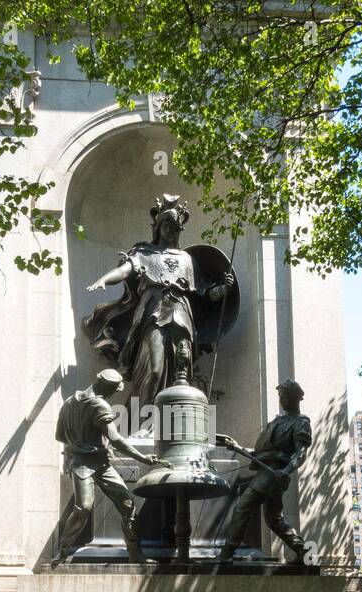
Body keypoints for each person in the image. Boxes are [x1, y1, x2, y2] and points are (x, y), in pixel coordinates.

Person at [82, 196, 235, 407]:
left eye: (173, 226)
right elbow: (125, 270)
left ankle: (173, 426)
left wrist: (222, 289)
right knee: (154, 370)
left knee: (181, 373)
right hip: (153, 312)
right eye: (165, 225)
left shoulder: (187, 260)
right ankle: (143, 422)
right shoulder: (144, 253)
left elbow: (202, 294)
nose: (169, 230)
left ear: (179, 229)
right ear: (158, 226)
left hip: (182, 315)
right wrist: (104, 280)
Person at [55, 369, 169, 563]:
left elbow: (60, 436)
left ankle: (135, 553)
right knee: (83, 507)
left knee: (127, 505)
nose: (113, 395)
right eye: (114, 391)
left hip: (100, 464)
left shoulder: (68, 403)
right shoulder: (100, 405)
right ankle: (63, 552)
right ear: (107, 388)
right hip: (83, 465)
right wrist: (143, 458)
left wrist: (81, 441)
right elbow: (115, 439)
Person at [215, 379, 313, 563]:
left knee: (241, 508)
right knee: (273, 520)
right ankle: (303, 551)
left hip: (273, 474)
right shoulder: (277, 421)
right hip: (265, 472)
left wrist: (286, 470)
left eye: (285, 397)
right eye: (280, 397)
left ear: (296, 399)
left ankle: (226, 554)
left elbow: (300, 454)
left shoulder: (300, 423)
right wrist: (238, 447)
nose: (282, 400)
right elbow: (260, 453)